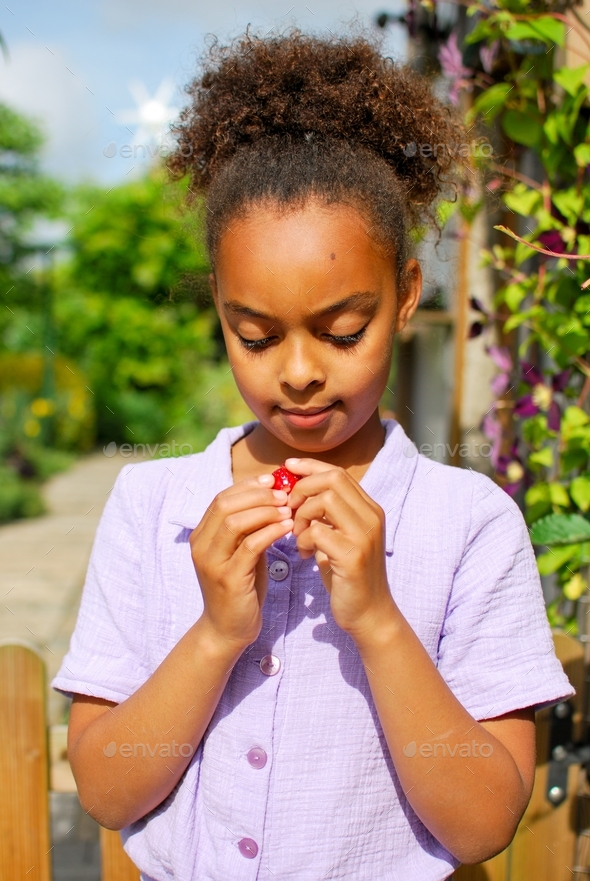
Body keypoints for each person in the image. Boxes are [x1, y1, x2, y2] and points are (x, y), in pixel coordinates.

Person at [52, 25, 575, 881]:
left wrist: (375, 617)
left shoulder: (470, 524)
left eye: (342, 330)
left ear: (406, 296)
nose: (298, 374)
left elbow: (484, 824)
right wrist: (219, 631)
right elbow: (107, 793)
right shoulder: (153, 509)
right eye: (255, 335)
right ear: (220, 309)